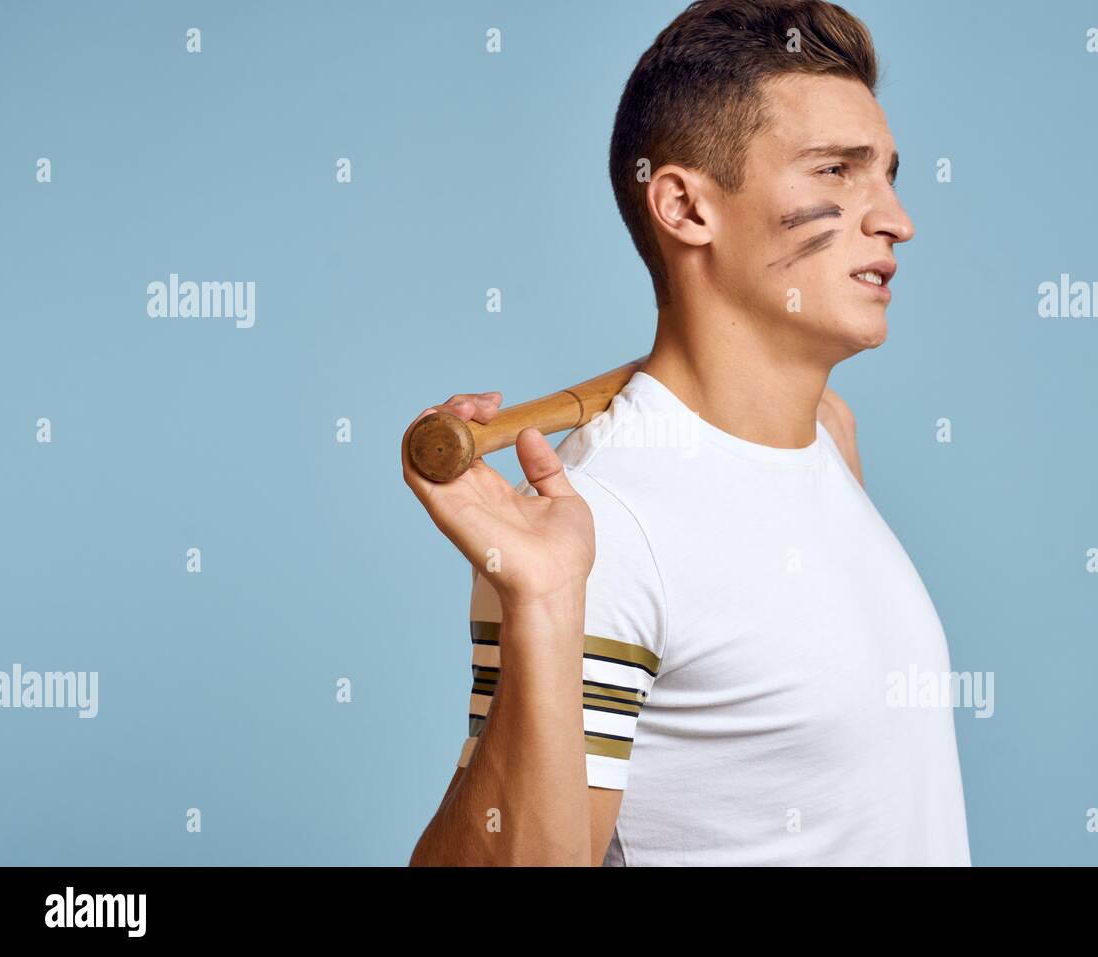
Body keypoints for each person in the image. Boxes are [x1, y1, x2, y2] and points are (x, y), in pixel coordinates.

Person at [402, 0, 971, 866]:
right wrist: (546, 603)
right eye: (836, 172)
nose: (896, 218)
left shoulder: (825, 435)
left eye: (888, 174)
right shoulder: (602, 521)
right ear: (685, 207)